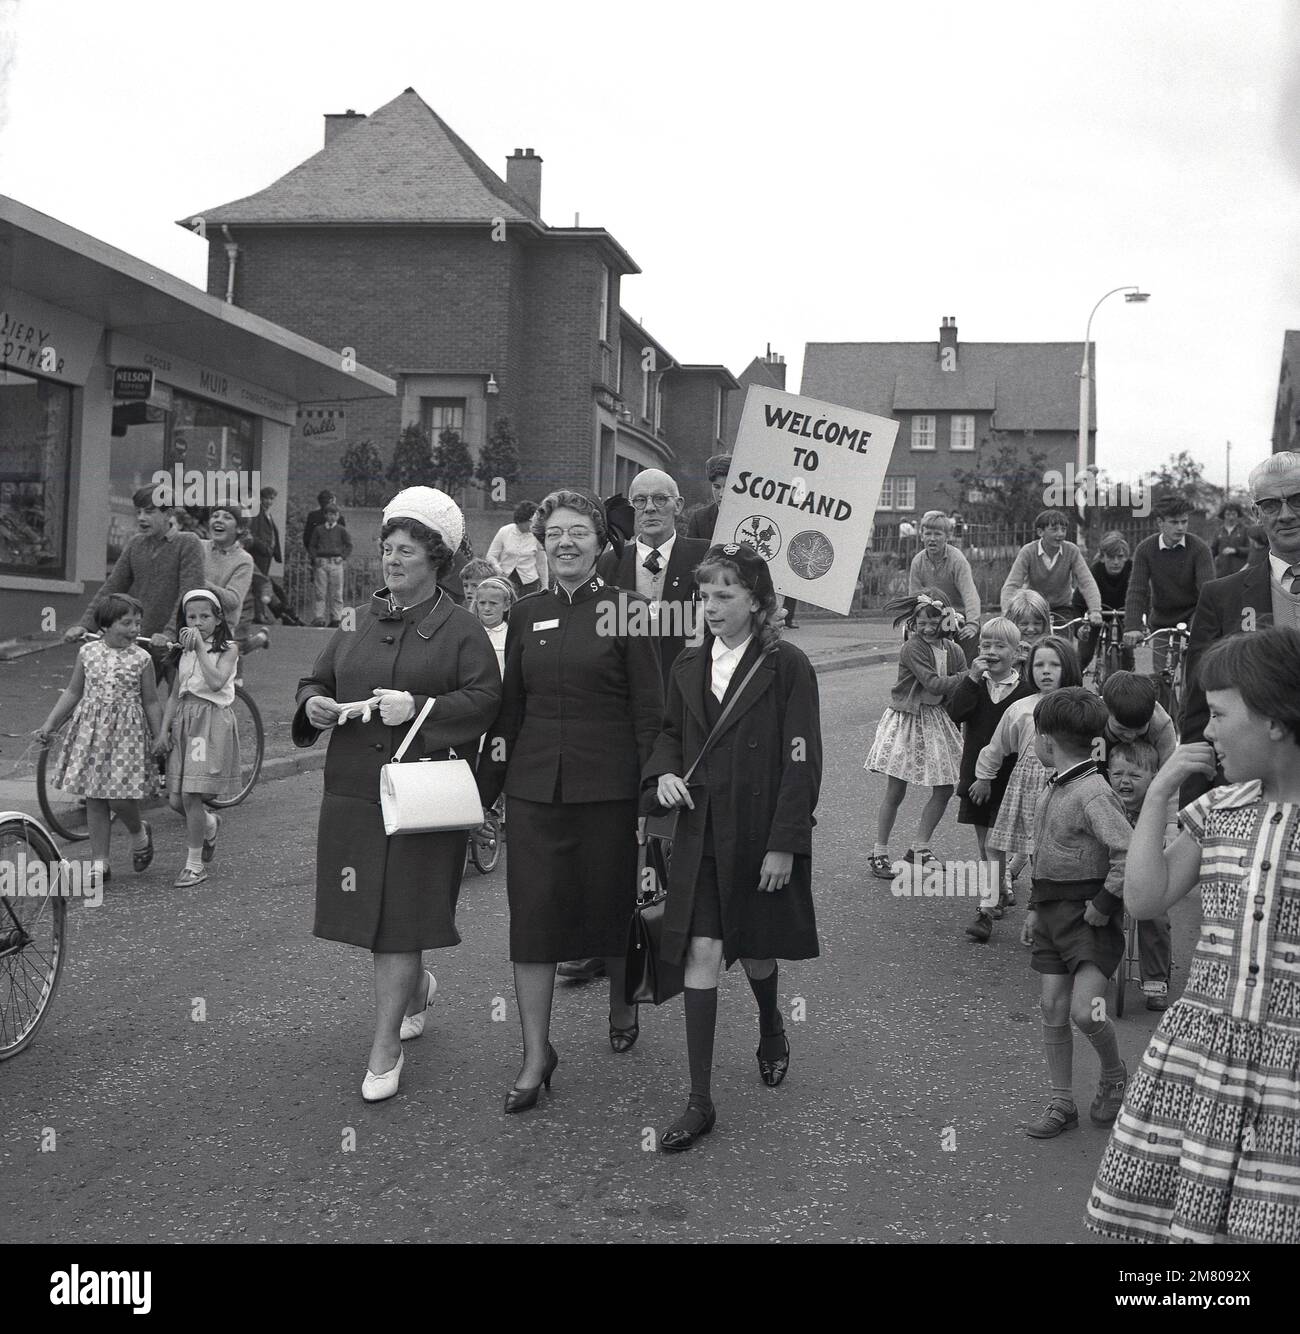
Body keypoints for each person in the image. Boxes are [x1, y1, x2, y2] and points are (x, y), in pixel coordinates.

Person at [1087, 627, 1300, 1243]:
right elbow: (1146, 897)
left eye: (1219, 713)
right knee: (1196, 1219)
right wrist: (1158, 794)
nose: (1205, 731)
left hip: (1288, 1067)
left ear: (1277, 721)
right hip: (1206, 1053)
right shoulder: (1220, 810)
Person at [292, 487, 501, 1103]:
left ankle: (384, 1045)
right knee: (371, 915)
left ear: (435, 558)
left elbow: (488, 702)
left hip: (424, 797)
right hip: (356, 791)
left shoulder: (462, 628)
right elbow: (316, 675)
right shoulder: (356, 617)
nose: (392, 560)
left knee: (400, 920)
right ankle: (415, 990)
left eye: (405, 550)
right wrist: (313, 703)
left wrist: (422, 707)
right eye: (387, 549)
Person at [477, 487, 663, 1112]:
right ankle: (536, 1053)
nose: (565, 542)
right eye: (554, 532)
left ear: (600, 541)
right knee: (533, 919)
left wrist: (647, 800)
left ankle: (621, 1005)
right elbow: (510, 710)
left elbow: (649, 712)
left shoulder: (628, 610)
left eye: (578, 531)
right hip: (534, 791)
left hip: (609, 791)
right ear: (540, 541)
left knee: (611, 906)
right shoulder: (525, 614)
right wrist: (486, 792)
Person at [643, 542, 822, 1152]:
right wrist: (662, 775)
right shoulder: (687, 666)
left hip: (758, 832)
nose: (712, 605)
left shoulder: (787, 664)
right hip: (700, 832)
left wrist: (785, 845)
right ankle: (699, 1099)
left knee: (756, 953)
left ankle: (771, 1024)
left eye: (726, 594)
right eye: (706, 594)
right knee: (702, 949)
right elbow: (670, 734)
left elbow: (803, 761)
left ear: (757, 601)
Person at [1017, 688, 1131, 1139]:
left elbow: (1126, 851)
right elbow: (1042, 855)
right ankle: (1062, 1102)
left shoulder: (1093, 793)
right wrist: (1031, 908)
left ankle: (1114, 1072)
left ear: (1047, 741)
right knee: (1051, 1007)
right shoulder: (1055, 785)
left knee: (1087, 1012)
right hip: (1050, 911)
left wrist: (1105, 904)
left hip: (1089, 916)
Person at [1181, 451, 1300, 803]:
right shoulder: (1222, 597)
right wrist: (1194, 806)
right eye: (1271, 504)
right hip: (1250, 792)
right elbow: (1199, 710)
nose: (1287, 514)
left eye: (1297, 500)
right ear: (1256, 514)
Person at [35, 594, 162, 887]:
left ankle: (138, 832)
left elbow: (152, 701)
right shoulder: (88, 653)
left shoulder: (142, 659)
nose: (134, 629)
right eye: (126, 622)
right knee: (94, 797)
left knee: (118, 795)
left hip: (126, 733)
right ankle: (100, 861)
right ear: (104, 625)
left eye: (138, 623)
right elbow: (73, 691)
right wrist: (50, 723)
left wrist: (160, 735)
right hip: (90, 731)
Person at [967, 636, 1083, 940]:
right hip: (1022, 787)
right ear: (1029, 669)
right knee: (995, 845)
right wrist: (983, 777)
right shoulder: (1020, 708)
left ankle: (1041, 913)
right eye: (1039, 665)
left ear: (1068, 668)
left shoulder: (1078, 706)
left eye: (1054, 665)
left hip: (1061, 791)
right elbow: (997, 746)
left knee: (1042, 856)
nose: (1046, 671)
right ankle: (987, 907)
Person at [864, 589, 968, 879]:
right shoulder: (912, 648)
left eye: (931, 621)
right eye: (919, 621)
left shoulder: (954, 650)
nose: (924, 627)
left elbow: (961, 686)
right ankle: (879, 851)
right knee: (896, 789)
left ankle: (919, 849)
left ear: (946, 620)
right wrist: (968, 676)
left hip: (935, 718)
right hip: (908, 718)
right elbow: (934, 684)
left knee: (945, 787)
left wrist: (966, 679)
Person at [946, 617, 1036, 940]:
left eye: (1000, 646)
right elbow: (956, 712)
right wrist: (970, 678)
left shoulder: (1026, 691)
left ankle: (991, 899)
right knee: (986, 843)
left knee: (1001, 841)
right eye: (986, 645)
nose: (992, 651)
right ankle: (997, 891)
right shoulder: (976, 685)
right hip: (976, 777)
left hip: (1010, 779)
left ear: (1016, 653)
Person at [66, 487, 206, 673]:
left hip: (177, 641)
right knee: (132, 695)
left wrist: (171, 633)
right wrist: (85, 625)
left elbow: (190, 594)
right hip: (143, 638)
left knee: (180, 695)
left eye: (149, 512)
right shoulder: (136, 544)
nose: (141, 517)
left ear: (168, 514)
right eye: (138, 512)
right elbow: (111, 588)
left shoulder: (188, 543)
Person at [156, 590, 241, 889]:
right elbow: (174, 695)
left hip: (209, 721)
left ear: (218, 620)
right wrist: (163, 730)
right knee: (176, 799)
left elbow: (217, 682)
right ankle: (209, 823)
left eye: (205, 616)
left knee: (191, 795)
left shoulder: (228, 648)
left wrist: (201, 650)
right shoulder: (183, 651)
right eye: (191, 617)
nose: (198, 622)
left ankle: (194, 866)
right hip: (184, 720)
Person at [1105, 739, 1174, 1010]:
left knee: (1155, 917)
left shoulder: (1157, 806)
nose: (1125, 781)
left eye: (1135, 775)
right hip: (1111, 875)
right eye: (1118, 774)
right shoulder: (1106, 802)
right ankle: (1091, 965)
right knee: (1090, 907)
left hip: (1147, 878)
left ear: (1153, 777)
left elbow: (1170, 840)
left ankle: (1156, 979)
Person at [1123, 496, 1214, 678]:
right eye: (1174, 522)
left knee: (1195, 674)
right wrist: (1132, 626)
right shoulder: (1145, 549)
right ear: (1160, 523)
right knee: (1161, 677)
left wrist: (1201, 625)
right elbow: (1137, 590)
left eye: (1184, 522)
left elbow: (1207, 591)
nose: (1180, 528)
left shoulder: (1199, 549)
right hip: (1162, 619)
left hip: (1193, 616)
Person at [999, 509, 1102, 634]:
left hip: (1062, 607)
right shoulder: (1028, 552)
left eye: (1063, 529)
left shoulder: (1071, 551)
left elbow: (1086, 582)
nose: (1060, 534)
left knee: (1062, 645)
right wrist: (1007, 612)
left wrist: (1095, 610)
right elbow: (1012, 584)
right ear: (1040, 532)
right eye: (1054, 529)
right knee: (1030, 641)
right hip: (1034, 606)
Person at [907, 511, 981, 664]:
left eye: (938, 534)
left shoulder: (957, 559)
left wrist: (973, 623)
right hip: (930, 613)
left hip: (955, 613)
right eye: (928, 534)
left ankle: (968, 678)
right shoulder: (917, 562)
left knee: (969, 639)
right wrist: (913, 622)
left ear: (947, 537)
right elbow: (913, 597)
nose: (932, 539)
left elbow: (970, 593)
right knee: (912, 645)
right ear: (921, 536)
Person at [1070, 530, 1134, 673]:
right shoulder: (1094, 571)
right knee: (1084, 656)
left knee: (1128, 656)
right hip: (1096, 616)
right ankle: (1073, 685)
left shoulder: (1133, 569)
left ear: (1126, 557)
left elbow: (1145, 596)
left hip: (1125, 615)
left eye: (1120, 557)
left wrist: (1142, 621)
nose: (1116, 562)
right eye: (1111, 557)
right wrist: (1080, 627)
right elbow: (1077, 604)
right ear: (1102, 557)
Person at [203, 502, 256, 642]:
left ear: (240, 528)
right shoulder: (198, 546)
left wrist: (202, 584)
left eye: (227, 517)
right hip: (189, 628)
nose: (218, 520)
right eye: (215, 515)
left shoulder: (243, 560)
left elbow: (233, 600)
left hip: (219, 633)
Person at [486, 501, 548, 596]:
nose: (533, 524)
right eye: (530, 521)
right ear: (521, 519)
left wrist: (545, 586)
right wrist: (497, 568)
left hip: (530, 583)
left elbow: (542, 563)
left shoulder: (537, 535)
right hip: (506, 580)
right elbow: (491, 556)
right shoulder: (505, 531)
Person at [309, 502, 353, 627]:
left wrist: (342, 556)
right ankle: (319, 617)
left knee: (337, 592)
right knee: (320, 592)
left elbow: (349, 545)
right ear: (325, 515)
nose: (331, 517)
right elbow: (312, 545)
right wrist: (315, 557)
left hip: (335, 562)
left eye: (334, 514)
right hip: (322, 563)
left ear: (338, 516)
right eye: (329, 514)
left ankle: (336, 618)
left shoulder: (341, 530)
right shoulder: (318, 530)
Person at [247, 486, 283, 625]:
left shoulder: (267, 514)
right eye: (267, 498)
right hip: (260, 554)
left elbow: (273, 534)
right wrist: (265, 548)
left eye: (271, 499)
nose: (269, 501)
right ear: (261, 499)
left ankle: (261, 613)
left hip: (267, 555)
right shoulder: (257, 514)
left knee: (262, 583)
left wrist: (274, 551)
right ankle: (259, 614)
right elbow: (254, 535)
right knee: (260, 584)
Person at [473, 575, 515, 677]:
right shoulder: (470, 632)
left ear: (506, 605)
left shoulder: (513, 634)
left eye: (493, 603)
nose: (487, 608)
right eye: (482, 603)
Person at [685, 453, 731, 541]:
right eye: (716, 487)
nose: (721, 494)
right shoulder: (699, 519)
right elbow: (691, 552)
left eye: (728, 487)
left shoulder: (751, 514)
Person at [1004, 589, 1052, 668]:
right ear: (1012, 623)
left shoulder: (1053, 651)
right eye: (1024, 624)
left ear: (1045, 624)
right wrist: (1010, 666)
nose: (1031, 629)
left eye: (1037, 623)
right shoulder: (1002, 651)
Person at [1210, 500, 1250, 578]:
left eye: (1234, 514)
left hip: (1239, 573)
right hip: (1221, 574)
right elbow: (1213, 551)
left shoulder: (1245, 530)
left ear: (1238, 515)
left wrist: (1236, 550)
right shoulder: (1218, 531)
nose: (1231, 517)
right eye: (1228, 514)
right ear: (1223, 515)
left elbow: (1251, 550)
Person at [302, 489, 348, 556]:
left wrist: (312, 554)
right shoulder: (313, 516)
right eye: (323, 500)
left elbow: (344, 539)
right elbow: (307, 538)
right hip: (323, 555)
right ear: (331, 501)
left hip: (334, 556)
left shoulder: (339, 518)